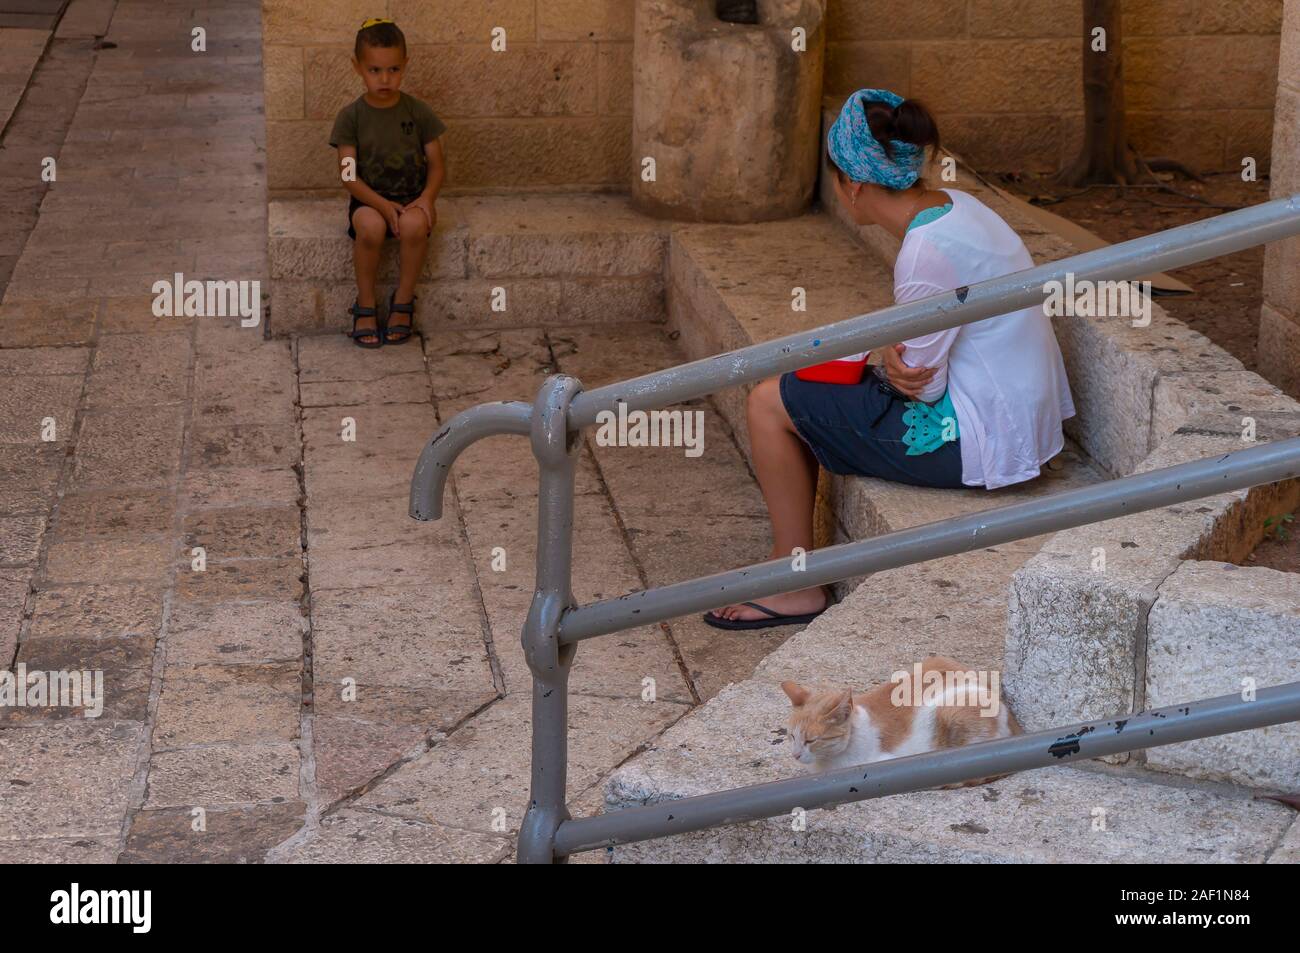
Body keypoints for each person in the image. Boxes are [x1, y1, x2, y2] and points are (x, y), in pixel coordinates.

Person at [706, 88, 1075, 630]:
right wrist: (887, 351)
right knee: (808, 381)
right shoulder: (959, 208)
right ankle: (789, 563)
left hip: (980, 441)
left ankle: (797, 581)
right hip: (1023, 427)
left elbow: (920, 385)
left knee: (768, 403)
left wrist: (884, 354)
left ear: (852, 183)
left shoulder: (924, 253)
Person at [329, 18, 446, 347]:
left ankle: (403, 301)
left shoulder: (418, 112)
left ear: (405, 65)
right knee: (370, 228)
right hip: (368, 200)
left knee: (412, 226)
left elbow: (437, 165)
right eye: (375, 70)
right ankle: (366, 303)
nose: (385, 79)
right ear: (357, 67)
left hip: (411, 198)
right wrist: (381, 205)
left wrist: (427, 198)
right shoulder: (351, 117)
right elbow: (348, 174)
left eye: (394, 70)